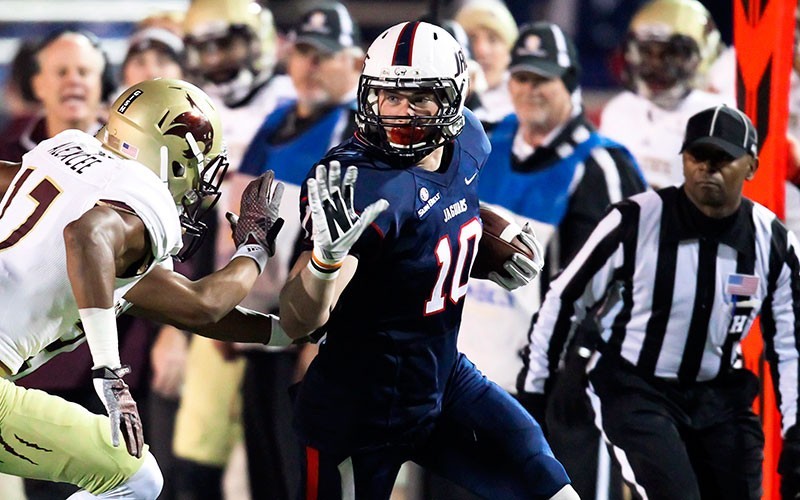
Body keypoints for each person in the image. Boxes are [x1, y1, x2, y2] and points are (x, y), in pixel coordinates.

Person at [278, 21, 578, 500]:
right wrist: (323, 263)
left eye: (420, 98)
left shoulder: (469, 142)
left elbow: (438, 213)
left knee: (546, 479)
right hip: (359, 411)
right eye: (389, 97)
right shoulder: (362, 185)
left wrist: (483, 239)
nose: (400, 113)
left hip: (442, 379)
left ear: (454, 99)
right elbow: (300, 319)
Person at [0, 77, 291, 499]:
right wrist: (109, 372)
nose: (198, 185)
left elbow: (199, 306)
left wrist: (290, 331)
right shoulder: (138, 200)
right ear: (174, 159)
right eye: (199, 166)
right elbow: (86, 236)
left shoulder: (66, 155)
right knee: (137, 478)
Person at [519, 104, 800, 499]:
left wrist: (797, 433)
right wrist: (535, 392)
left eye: (723, 158)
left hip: (720, 394)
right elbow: (564, 298)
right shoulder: (634, 220)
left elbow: (791, 346)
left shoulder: (772, 242)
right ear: (683, 159)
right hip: (636, 386)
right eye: (698, 156)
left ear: (751, 166)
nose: (708, 168)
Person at [452, 22, 646, 500]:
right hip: (467, 382)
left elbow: (628, 279)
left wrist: (580, 372)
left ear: (572, 82)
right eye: (520, 77)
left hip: (555, 394)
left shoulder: (603, 164)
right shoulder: (483, 144)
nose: (529, 89)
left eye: (543, 79)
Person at [235, 3, 363, 498]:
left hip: (305, 330)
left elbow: (345, 250)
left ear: (354, 64)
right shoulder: (275, 120)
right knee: (265, 468)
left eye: (324, 55)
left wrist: (318, 341)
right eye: (304, 52)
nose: (310, 65)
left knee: (305, 474)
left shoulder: (351, 135)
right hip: (260, 328)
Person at [169, 1, 296, 496]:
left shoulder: (293, 106)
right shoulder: (191, 106)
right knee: (196, 461)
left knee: (282, 459)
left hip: (284, 301)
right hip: (216, 291)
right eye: (206, 46)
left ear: (260, 39)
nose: (219, 57)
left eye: (229, 42)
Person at [599, 0, 728, 189]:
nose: (655, 65)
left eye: (671, 53)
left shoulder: (718, 116)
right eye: (646, 52)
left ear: (702, 54)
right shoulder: (619, 110)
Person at [0, 29, 115, 162]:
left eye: (83, 72)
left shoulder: (129, 148)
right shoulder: (7, 151)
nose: (73, 80)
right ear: (38, 85)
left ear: (102, 83)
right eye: (61, 72)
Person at [454, 0, 518, 125]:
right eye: (471, 39)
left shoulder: (524, 104)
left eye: (492, 39)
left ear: (509, 51)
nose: (481, 50)